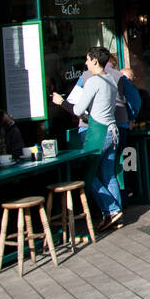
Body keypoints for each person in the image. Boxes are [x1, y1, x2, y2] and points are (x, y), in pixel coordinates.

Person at [52, 47, 122, 232]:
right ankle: (116, 215)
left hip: (98, 132)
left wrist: (61, 102)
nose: (85, 63)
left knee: (87, 175)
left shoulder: (93, 82)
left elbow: (77, 110)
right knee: (108, 175)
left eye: (87, 60)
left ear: (95, 62)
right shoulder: (110, 80)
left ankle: (112, 210)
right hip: (113, 130)